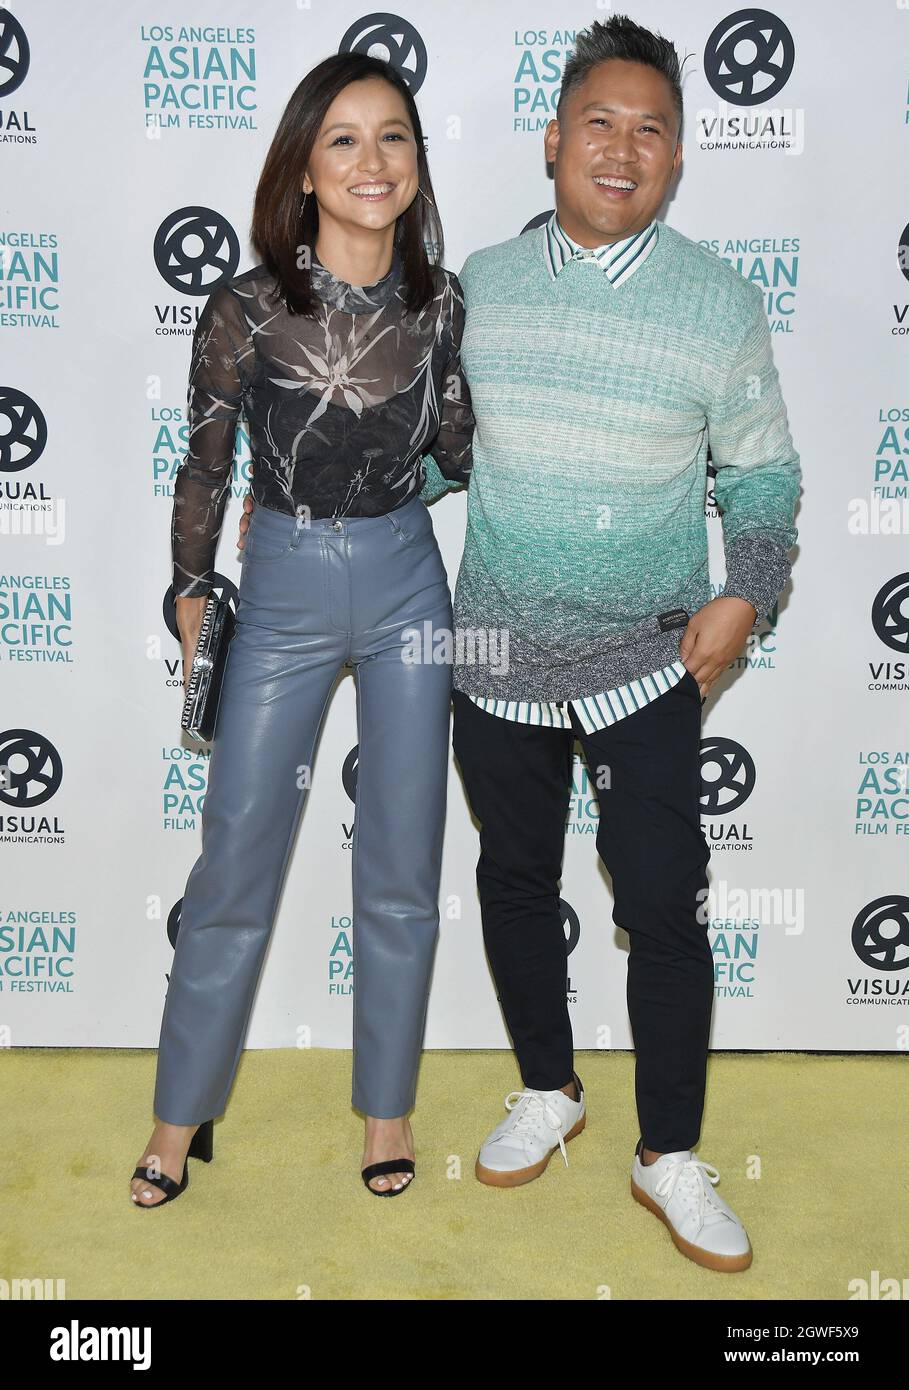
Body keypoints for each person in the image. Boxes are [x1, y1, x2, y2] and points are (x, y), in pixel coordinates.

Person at [243, 13, 801, 1270]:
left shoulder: (720, 302)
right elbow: (424, 455)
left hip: (653, 657)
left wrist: (746, 591)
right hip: (490, 649)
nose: (622, 148)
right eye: (598, 123)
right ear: (553, 140)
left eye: (650, 129)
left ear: (676, 155)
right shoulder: (471, 288)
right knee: (512, 883)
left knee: (662, 907)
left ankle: (668, 1154)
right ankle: (548, 1088)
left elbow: (764, 481)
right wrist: (310, 500)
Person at [129, 51, 473, 1207]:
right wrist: (189, 586)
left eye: (393, 138)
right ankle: (179, 1119)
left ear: (417, 166)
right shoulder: (244, 306)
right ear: (305, 166)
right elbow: (205, 461)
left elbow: (461, 454)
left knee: (404, 863)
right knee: (234, 861)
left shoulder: (443, 302)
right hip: (275, 582)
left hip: (409, 585)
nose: (371, 162)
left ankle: (388, 1113)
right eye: (343, 139)